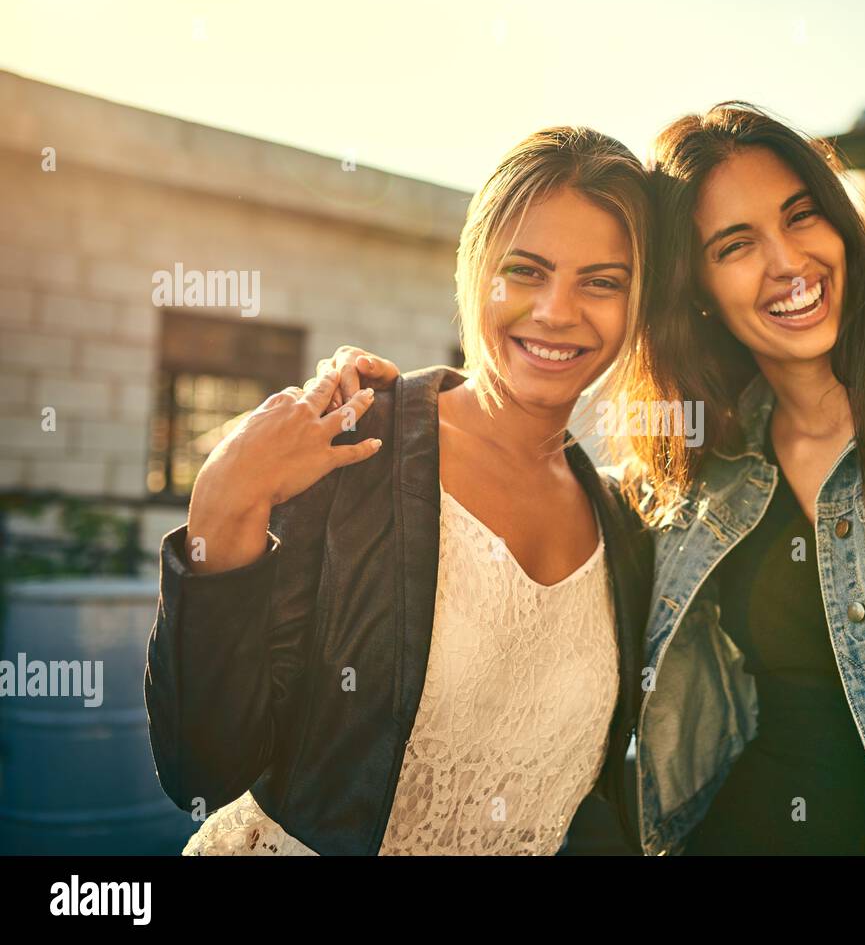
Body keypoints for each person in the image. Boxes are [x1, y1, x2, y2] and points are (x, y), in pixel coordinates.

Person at [318, 103, 865, 856]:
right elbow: (533, 497)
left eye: (801, 216)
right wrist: (401, 402)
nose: (787, 262)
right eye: (734, 245)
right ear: (695, 291)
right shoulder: (701, 470)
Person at [144, 126, 653, 855]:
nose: (557, 311)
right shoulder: (352, 446)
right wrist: (224, 500)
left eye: (602, 281)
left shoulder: (629, 531)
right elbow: (202, 769)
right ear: (476, 273)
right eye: (527, 271)